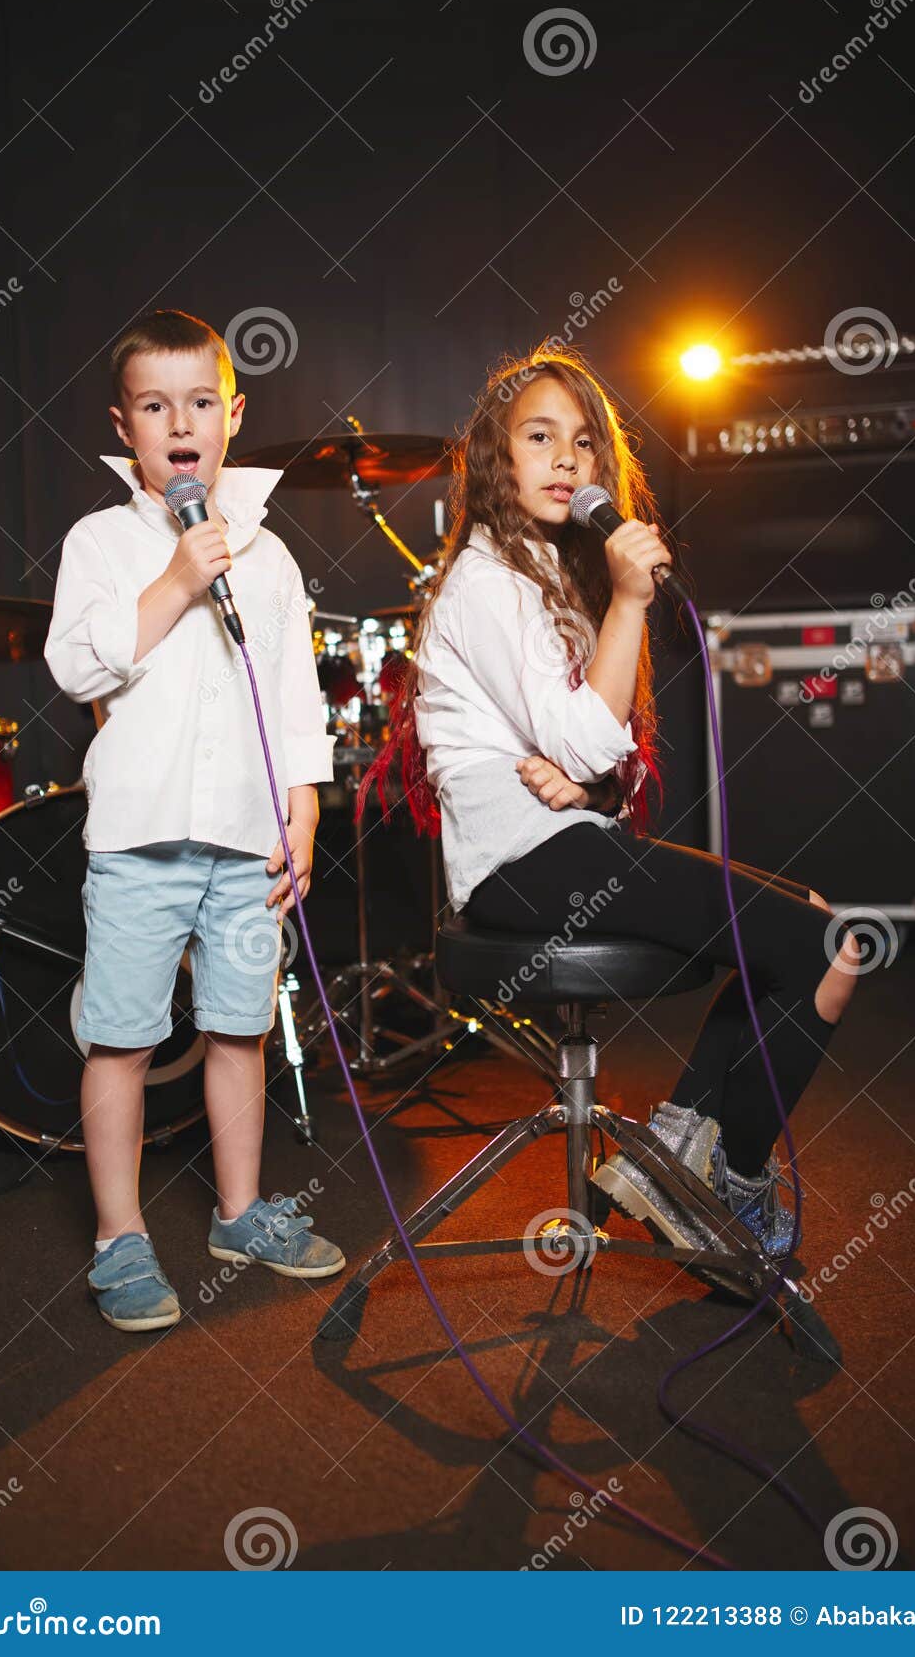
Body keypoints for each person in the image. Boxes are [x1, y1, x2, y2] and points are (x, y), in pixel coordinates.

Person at [364, 344, 863, 1262]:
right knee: (824, 949)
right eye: (539, 437)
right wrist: (627, 612)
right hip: (526, 870)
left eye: (583, 443)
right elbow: (590, 736)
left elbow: (605, 764)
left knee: (817, 928)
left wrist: (586, 776)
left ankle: (680, 1146)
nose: (564, 458)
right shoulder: (487, 585)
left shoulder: (547, 576)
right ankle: (729, 1185)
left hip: (568, 849)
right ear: (496, 459)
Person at [45, 308, 345, 1332]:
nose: (182, 419)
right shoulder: (102, 541)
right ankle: (119, 1235)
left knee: (239, 1027)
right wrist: (175, 580)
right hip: (137, 843)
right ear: (126, 424)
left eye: (202, 401)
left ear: (233, 413)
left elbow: (295, 700)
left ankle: (240, 1210)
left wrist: (302, 814)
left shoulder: (268, 557)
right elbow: (78, 665)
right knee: (122, 1039)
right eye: (156, 403)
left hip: (245, 839)